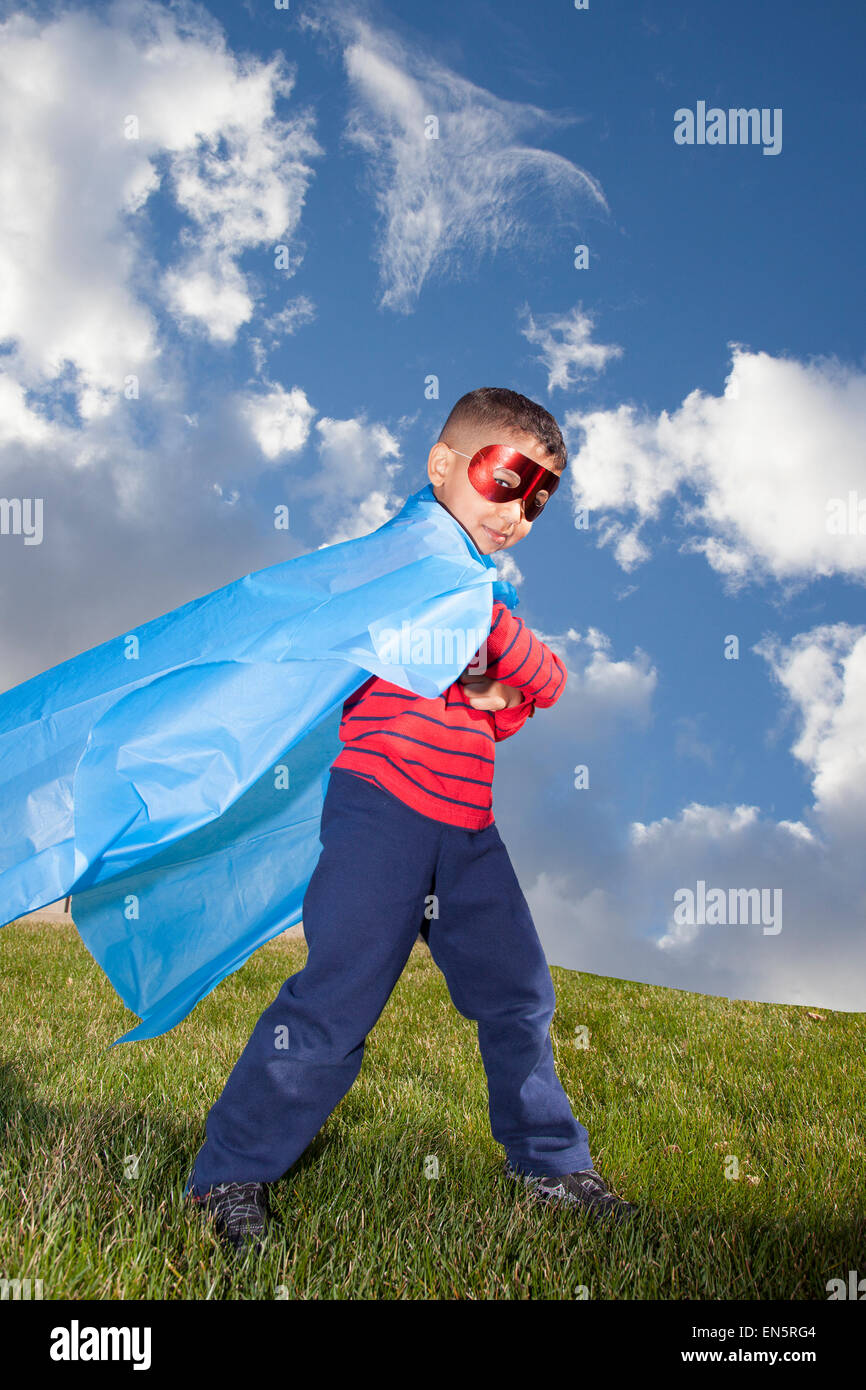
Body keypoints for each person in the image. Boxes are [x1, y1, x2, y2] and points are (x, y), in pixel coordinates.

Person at [186, 387, 637, 1249]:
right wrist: (497, 663)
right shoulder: (401, 568)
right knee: (336, 998)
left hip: (468, 831)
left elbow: (528, 695)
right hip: (382, 811)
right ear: (442, 464)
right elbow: (511, 670)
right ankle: (228, 1177)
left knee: (519, 995)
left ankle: (549, 1165)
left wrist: (496, 672)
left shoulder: (477, 591)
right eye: (504, 481)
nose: (517, 515)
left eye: (538, 501)